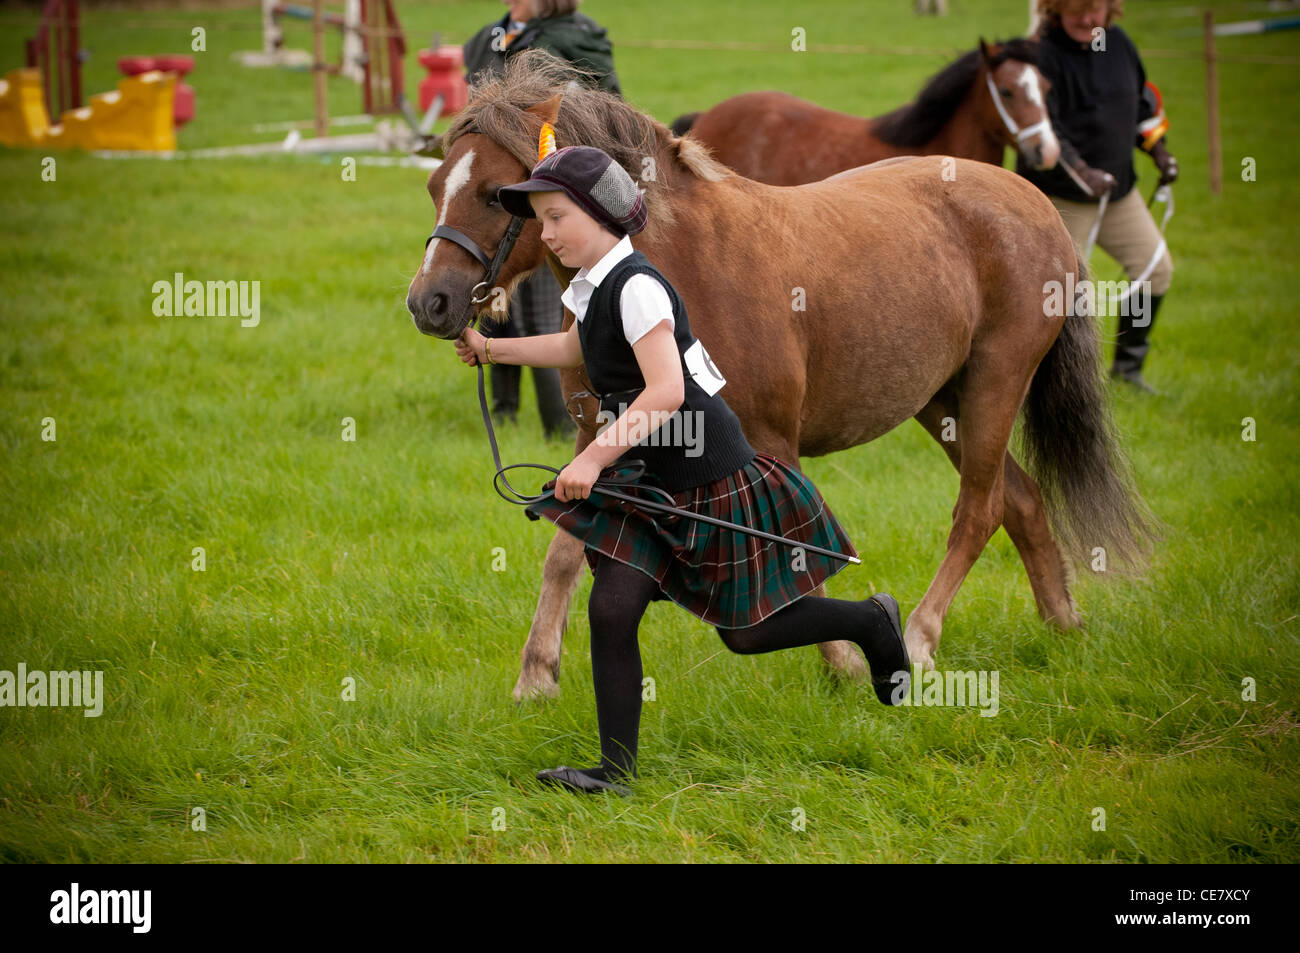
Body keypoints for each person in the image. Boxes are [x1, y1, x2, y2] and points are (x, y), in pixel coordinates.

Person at [453, 144, 911, 797]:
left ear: (600, 213)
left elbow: (666, 391)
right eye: (541, 222)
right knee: (612, 607)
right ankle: (615, 772)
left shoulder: (637, 286)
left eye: (555, 218)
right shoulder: (594, 285)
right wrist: (490, 346)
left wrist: (590, 455)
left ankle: (870, 620)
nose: (546, 234)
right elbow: (576, 346)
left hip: (707, 476)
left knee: (746, 634)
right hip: (648, 480)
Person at [462, 1, 622, 438]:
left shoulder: (576, 36)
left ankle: (560, 423)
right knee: (494, 299)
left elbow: (604, 109)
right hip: (496, 188)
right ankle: (503, 410)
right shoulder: (488, 37)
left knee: (541, 310)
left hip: (549, 188)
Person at [1017, 0, 1180, 393]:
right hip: (1061, 196)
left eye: (1096, 11)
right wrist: (1083, 172)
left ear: (1111, 10)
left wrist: (1160, 152)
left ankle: (1128, 368)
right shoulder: (1040, 55)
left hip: (1119, 193)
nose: (1088, 20)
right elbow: (1042, 129)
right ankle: (1053, 385)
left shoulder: (1119, 44)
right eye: (1077, 12)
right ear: (1055, 9)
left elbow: (1142, 105)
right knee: (1065, 297)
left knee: (1154, 270)